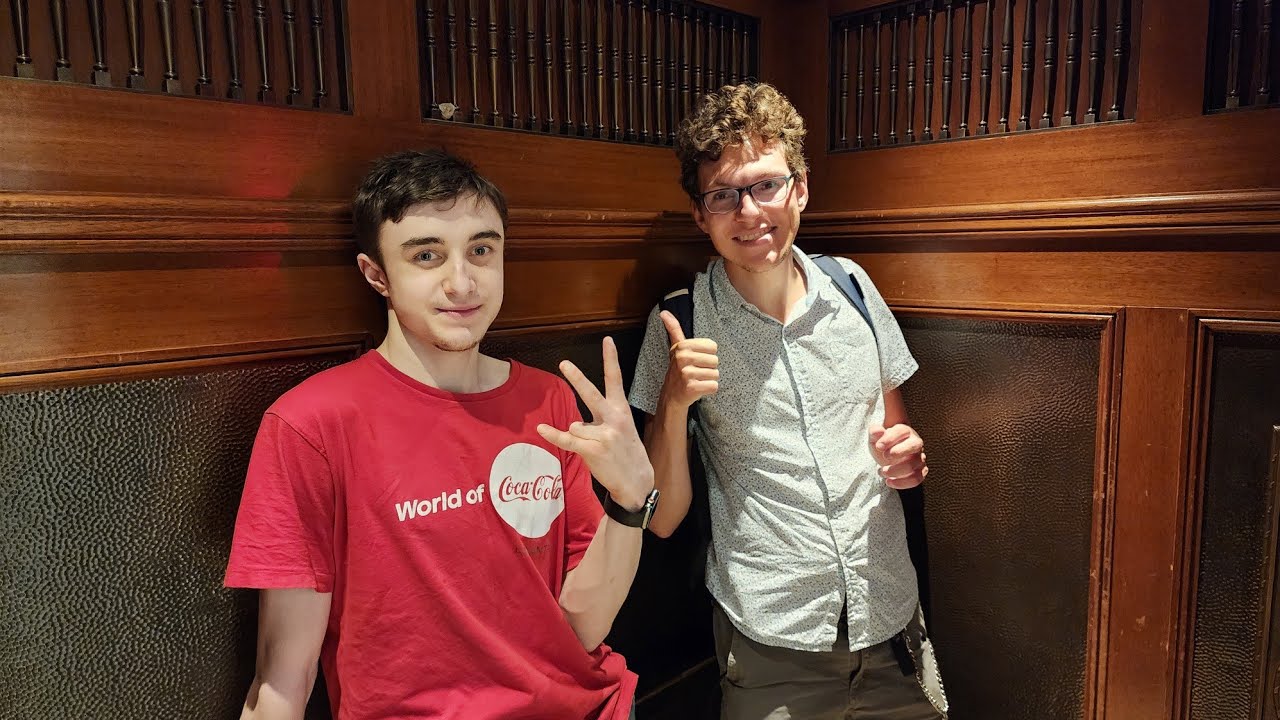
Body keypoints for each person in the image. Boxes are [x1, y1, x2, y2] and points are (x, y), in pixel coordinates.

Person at [225, 149, 659, 720]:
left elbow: (581, 626)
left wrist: (630, 504)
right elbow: (283, 676)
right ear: (375, 274)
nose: (462, 282)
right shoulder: (310, 424)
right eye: (427, 256)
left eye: (481, 250)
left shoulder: (547, 401)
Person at [628, 82, 948, 720]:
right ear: (700, 214)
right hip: (772, 651)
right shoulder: (681, 323)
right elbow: (660, 517)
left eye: (765, 185)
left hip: (893, 627)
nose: (748, 212)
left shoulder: (854, 286)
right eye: (722, 194)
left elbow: (898, 437)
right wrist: (671, 404)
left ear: (799, 187)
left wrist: (908, 458)